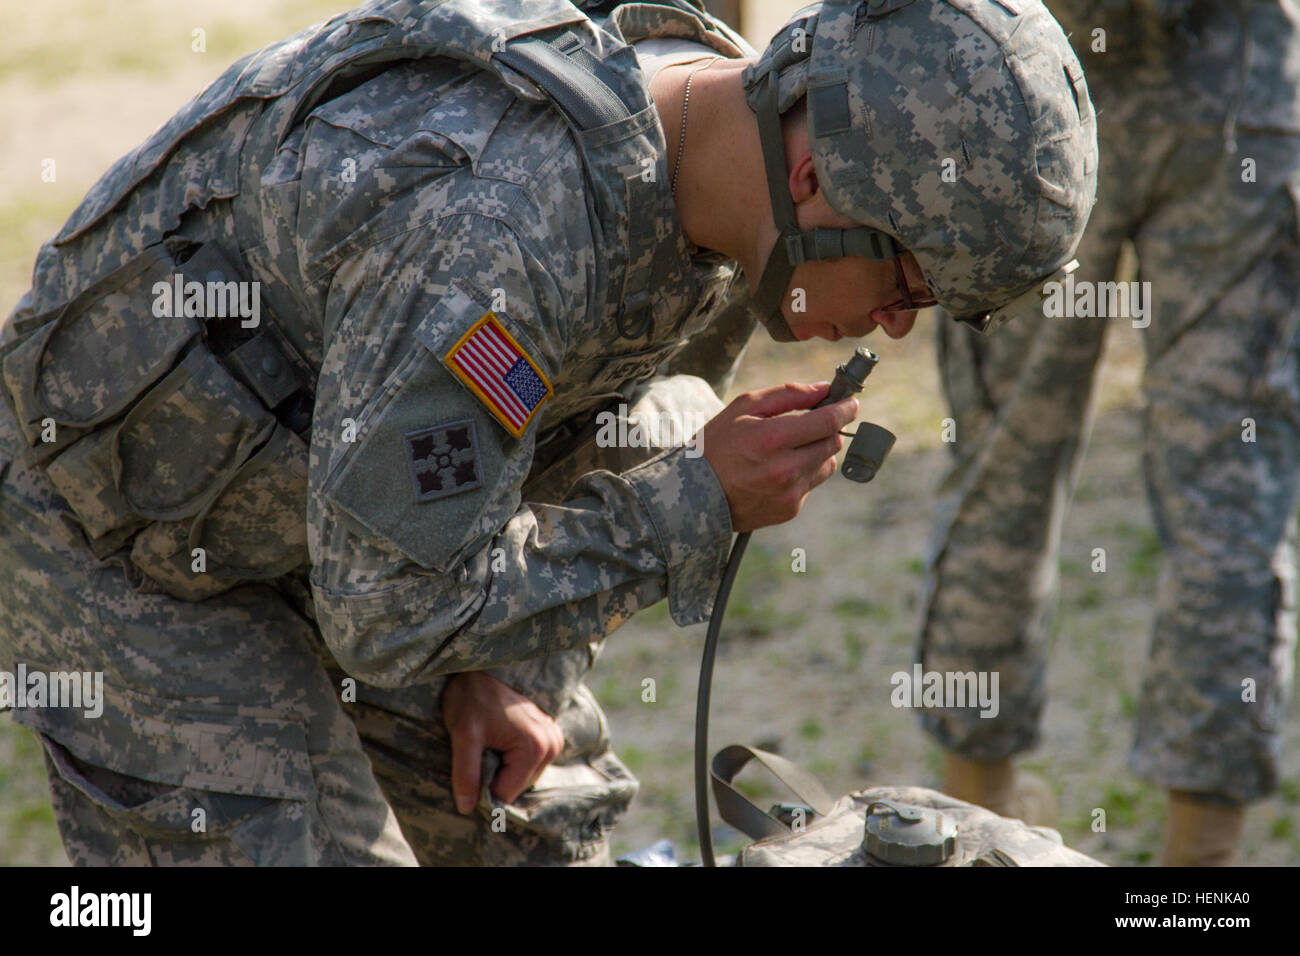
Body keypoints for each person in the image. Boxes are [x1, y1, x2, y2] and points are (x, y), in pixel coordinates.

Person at [0, 0, 1094, 865]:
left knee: (537, 817)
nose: (895, 325)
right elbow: (391, 616)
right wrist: (699, 503)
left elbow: (602, 430)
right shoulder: (496, 228)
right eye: (906, 279)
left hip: (358, 524)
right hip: (127, 550)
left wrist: (511, 662)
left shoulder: (724, 158)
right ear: (816, 179)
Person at [920, 0, 1300, 865]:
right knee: (1229, 494)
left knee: (1002, 466)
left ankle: (969, 818)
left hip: (1028, 80)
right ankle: (1198, 876)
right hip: (1231, 86)